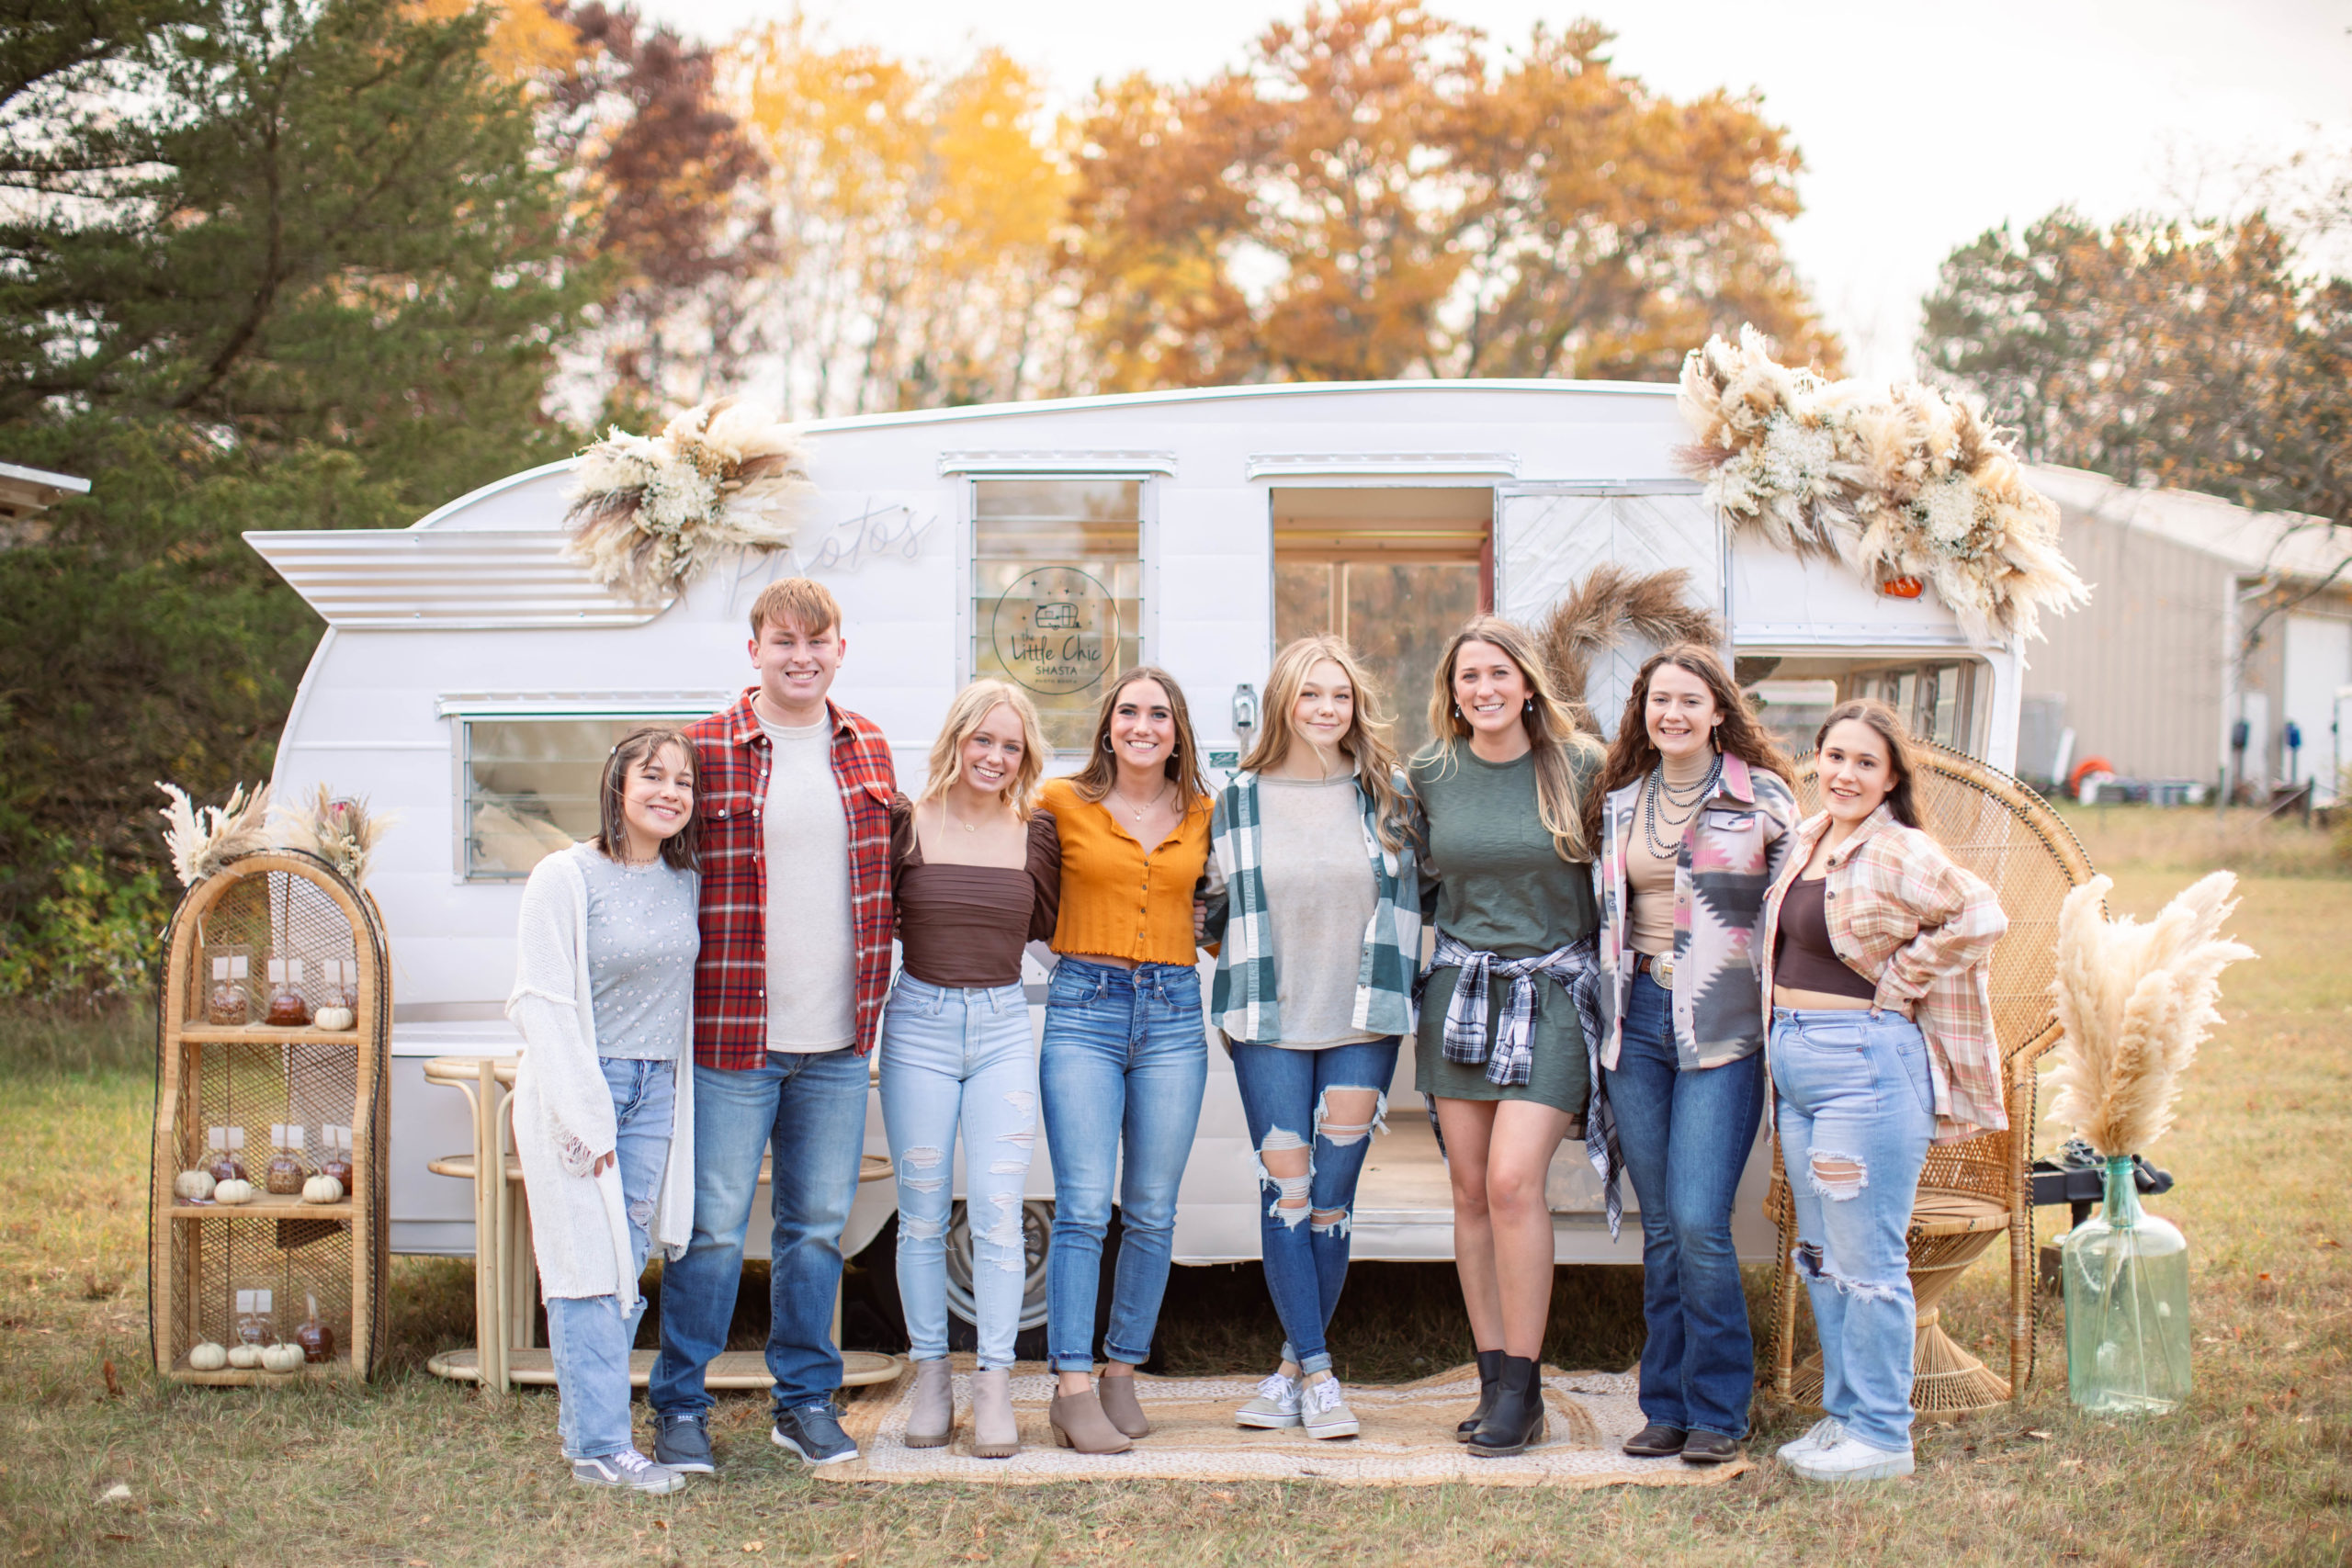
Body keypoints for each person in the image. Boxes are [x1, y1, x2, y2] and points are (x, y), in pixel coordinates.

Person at [650, 578, 897, 1474]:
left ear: (839, 649)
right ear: (753, 649)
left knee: (815, 1229)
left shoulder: (865, 745)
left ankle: (803, 1404)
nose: (802, 656)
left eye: (817, 641)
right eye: (783, 640)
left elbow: (891, 880)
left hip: (835, 1043)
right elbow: (646, 855)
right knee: (713, 1230)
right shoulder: (705, 748)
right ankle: (680, 1408)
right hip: (731, 1040)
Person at [1760, 698, 2007, 1483]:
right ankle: (1846, 1419)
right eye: (1835, 756)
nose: (1846, 773)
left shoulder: (1899, 849)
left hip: (1863, 1068)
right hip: (1797, 1065)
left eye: (1866, 762)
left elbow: (1981, 912)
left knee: (1868, 1258)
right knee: (1824, 1256)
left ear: (1892, 775)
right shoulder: (1808, 839)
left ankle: (1884, 1435)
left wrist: (1902, 978)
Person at [1201, 637, 1420, 1442]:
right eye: (1311, 695)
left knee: (1333, 1199)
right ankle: (1323, 1375)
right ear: (1283, 704)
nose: (1327, 710)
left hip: (1364, 1018)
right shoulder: (1239, 799)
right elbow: (1209, 910)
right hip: (1268, 1022)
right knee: (1286, 1194)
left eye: (1341, 696)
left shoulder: (1389, 796)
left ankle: (1293, 1368)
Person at [1587, 646, 1797, 1467]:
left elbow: (1792, 912)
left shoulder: (1762, 799)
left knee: (1704, 1220)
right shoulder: (1621, 802)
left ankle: (1720, 1407)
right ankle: (1665, 1405)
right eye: (1657, 700)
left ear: (1719, 712)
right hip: (1633, 1020)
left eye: (1688, 700)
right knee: (1666, 1225)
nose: (1671, 714)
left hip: (1721, 1026)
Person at [1411, 615, 1604, 1458]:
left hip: (1553, 993)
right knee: (1467, 1189)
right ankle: (1493, 1380)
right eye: (1467, 678)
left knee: (1516, 1182)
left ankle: (1525, 1383)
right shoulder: (1429, 773)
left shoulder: (1582, 764)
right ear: (1451, 694)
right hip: (1460, 991)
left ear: (1528, 682)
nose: (1483, 690)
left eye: (1497, 674)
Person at [508, 725, 702, 1494]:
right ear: (618, 785)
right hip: (582, 1086)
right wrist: (584, 1115)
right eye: (653, 776)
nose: (670, 792)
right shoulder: (565, 876)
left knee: (624, 1261)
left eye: (684, 781)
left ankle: (592, 1435)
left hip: (658, 1088)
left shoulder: (685, 881)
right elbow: (542, 1001)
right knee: (585, 1263)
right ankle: (600, 1443)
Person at [1036, 666, 1214, 1455]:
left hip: (1176, 1010)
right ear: (1108, 724)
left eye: (1160, 714)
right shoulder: (1058, 801)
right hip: (1084, 1006)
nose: (1143, 725)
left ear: (1178, 732)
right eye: (1129, 711)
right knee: (1080, 1204)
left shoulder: (1208, 811)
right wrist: (1075, 965)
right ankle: (1071, 1384)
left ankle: (1120, 1369)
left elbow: (1217, 912)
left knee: (1151, 1207)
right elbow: (1026, 895)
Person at [884, 680, 1060, 1460]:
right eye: (982, 739)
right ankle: (930, 1376)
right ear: (956, 738)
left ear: (1026, 757)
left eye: (1010, 745)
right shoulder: (905, 825)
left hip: (999, 1029)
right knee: (922, 1214)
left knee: (995, 1210)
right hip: (916, 1025)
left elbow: (1054, 933)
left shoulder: (1035, 834)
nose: (994, 756)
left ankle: (993, 1382)